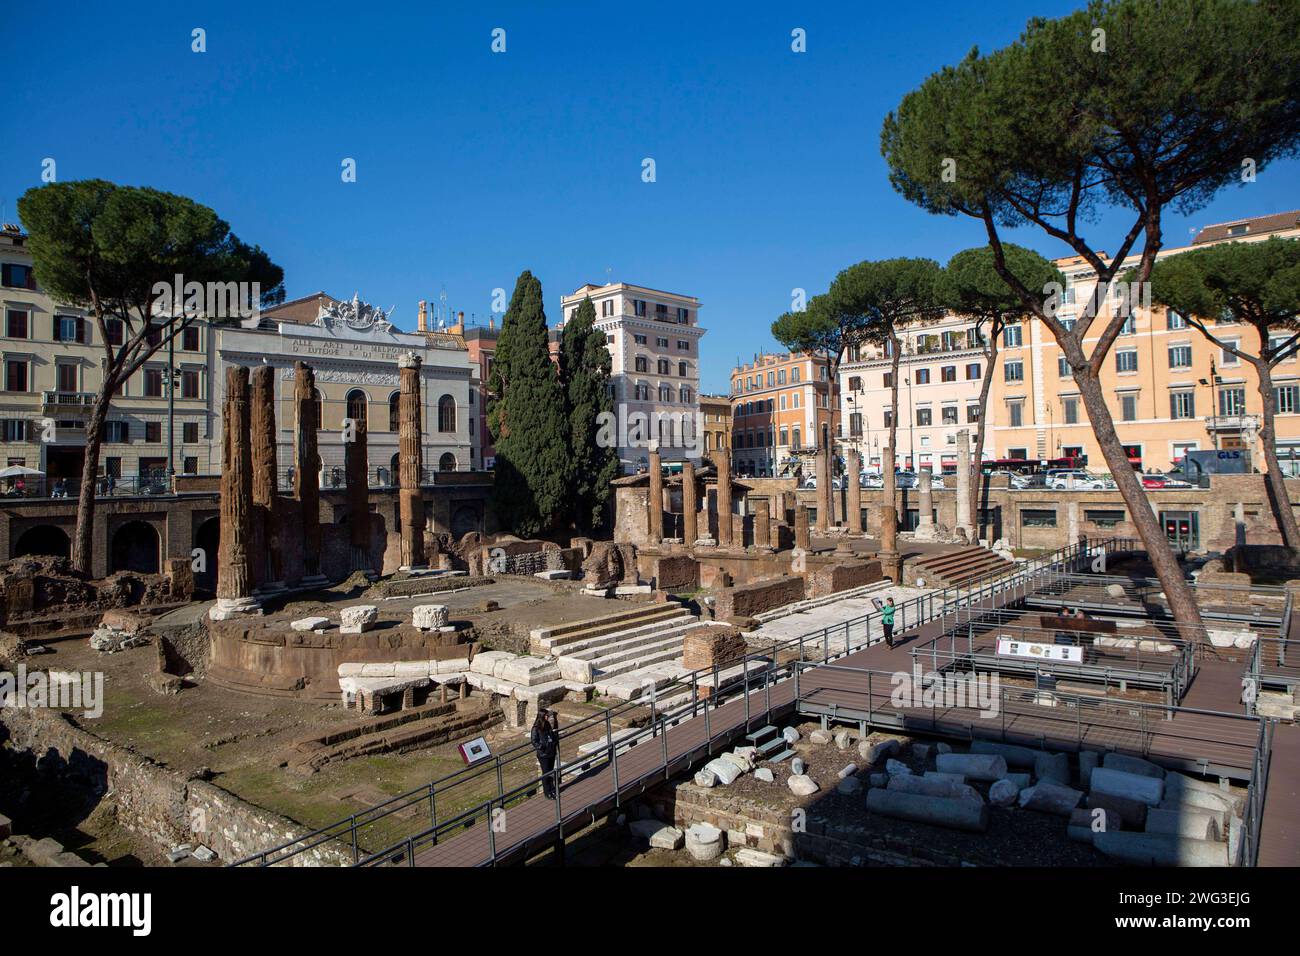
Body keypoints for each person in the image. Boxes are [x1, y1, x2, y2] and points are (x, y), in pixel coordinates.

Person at [531, 709, 559, 800]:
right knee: (546, 773)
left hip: (551, 751)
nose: (548, 717)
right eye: (546, 715)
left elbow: (551, 734)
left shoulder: (547, 724)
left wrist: (554, 742)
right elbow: (534, 741)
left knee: (551, 772)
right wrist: (542, 747)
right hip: (543, 754)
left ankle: (552, 788)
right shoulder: (535, 728)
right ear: (542, 716)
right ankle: (547, 792)